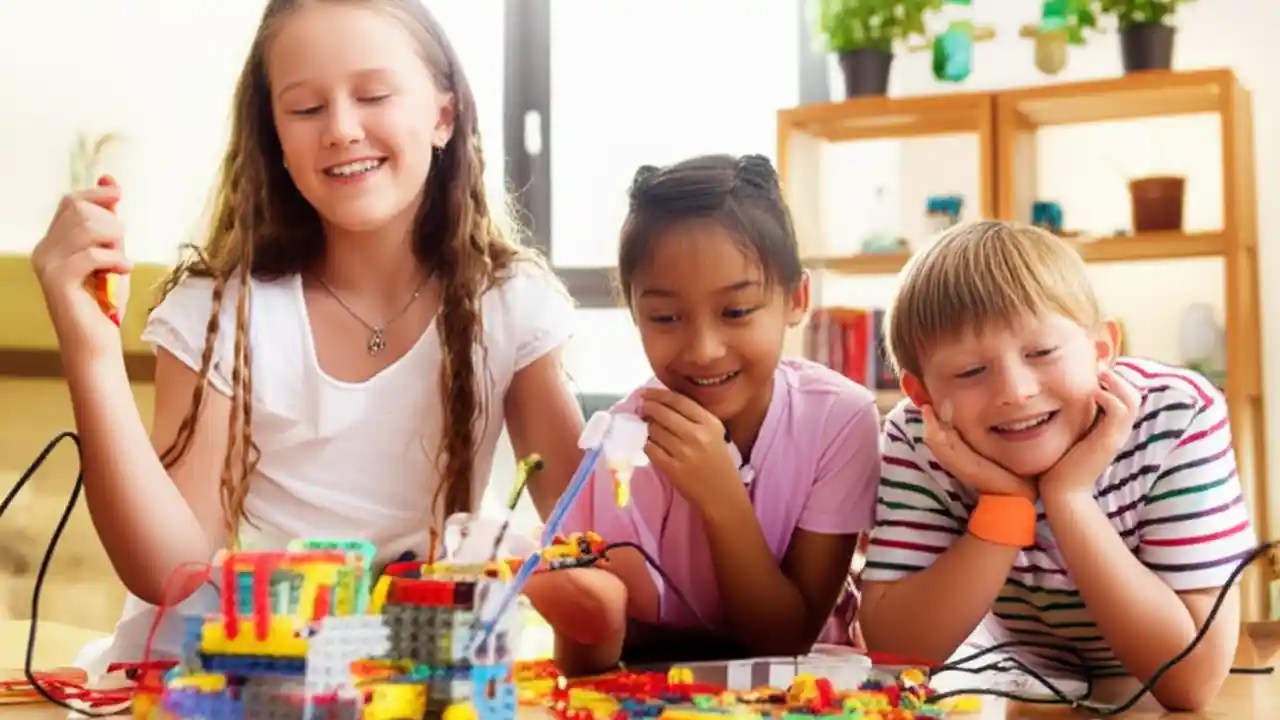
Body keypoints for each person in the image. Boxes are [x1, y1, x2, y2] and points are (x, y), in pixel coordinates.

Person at [30, 0, 584, 670]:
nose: (342, 129)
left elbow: (588, 541)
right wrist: (90, 352)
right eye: (305, 109)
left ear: (443, 115)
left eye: (373, 94)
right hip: (225, 671)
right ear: (276, 140)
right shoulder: (222, 308)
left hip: (414, 674)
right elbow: (167, 572)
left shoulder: (510, 303)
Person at [859, 220, 1256, 710]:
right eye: (971, 371)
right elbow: (897, 656)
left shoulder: (1178, 415)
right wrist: (1005, 509)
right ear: (922, 394)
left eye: (1042, 352)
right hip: (1020, 691)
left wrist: (1069, 498)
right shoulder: (921, 436)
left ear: (1101, 350)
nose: (1015, 391)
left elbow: (1188, 683)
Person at [526, 154, 882, 675]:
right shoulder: (622, 447)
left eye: (736, 312)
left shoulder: (840, 421)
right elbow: (598, 659)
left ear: (796, 299)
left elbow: (786, 640)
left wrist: (720, 495)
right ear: (635, 314)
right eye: (666, 317)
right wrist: (592, 617)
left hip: (804, 693)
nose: (704, 349)